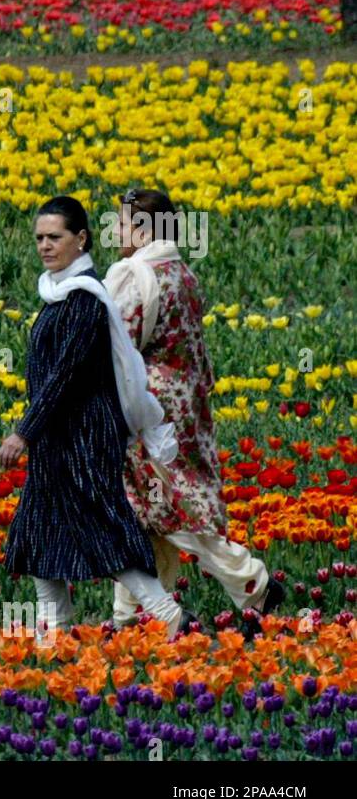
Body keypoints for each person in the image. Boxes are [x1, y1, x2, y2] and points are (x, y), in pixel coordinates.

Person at [0, 195, 198, 642]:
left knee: (105, 530)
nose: (45, 246)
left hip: (85, 438)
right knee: (38, 534)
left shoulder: (84, 300)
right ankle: (55, 632)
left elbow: (65, 376)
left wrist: (23, 433)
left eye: (55, 237)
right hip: (58, 440)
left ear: (81, 239)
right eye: (39, 238)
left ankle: (170, 618)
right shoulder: (57, 293)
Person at [103, 189, 284, 640]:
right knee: (145, 510)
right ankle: (135, 617)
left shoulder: (134, 275)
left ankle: (253, 584)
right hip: (187, 404)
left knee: (173, 510)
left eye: (122, 225)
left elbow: (119, 349)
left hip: (148, 412)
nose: (116, 233)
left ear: (143, 230)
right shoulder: (181, 273)